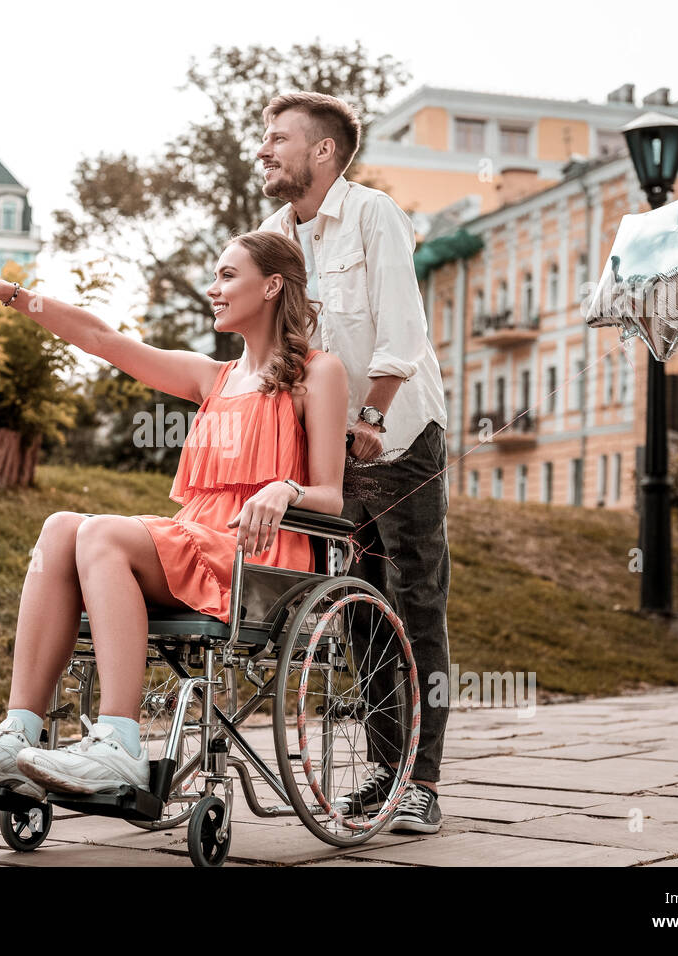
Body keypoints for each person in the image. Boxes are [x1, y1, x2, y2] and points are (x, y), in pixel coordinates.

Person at [0, 231, 348, 797]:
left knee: (102, 534)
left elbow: (331, 497)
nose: (212, 289)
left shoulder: (320, 373)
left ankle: (117, 742)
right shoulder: (211, 378)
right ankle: (18, 733)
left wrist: (286, 488)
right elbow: (99, 338)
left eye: (226, 276)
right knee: (60, 527)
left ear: (271, 286)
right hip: (198, 541)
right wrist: (5, 293)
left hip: (259, 556)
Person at [257, 91, 451, 834]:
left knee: (417, 605)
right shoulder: (275, 234)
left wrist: (370, 415)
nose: (266, 150)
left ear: (325, 152)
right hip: (328, 452)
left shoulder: (374, 216)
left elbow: (404, 329)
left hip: (399, 439)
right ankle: (383, 770)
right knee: (357, 611)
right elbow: (281, 344)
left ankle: (423, 782)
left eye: (280, 139)